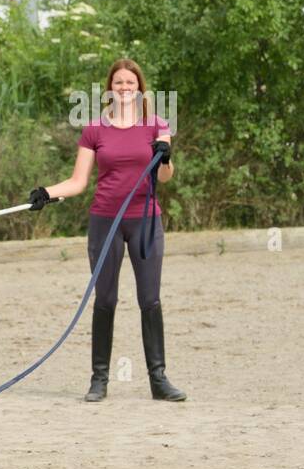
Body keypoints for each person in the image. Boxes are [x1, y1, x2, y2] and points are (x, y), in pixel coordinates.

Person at [28, 58, 186, 402]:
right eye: (119, 83)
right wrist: (46, 193)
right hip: (105, 222)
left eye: (131, 83)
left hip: (145, 221)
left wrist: (166, 156)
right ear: (110, 88)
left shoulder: (157, 125)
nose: (125, 88)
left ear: (140, 87)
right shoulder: (94, 131)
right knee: (106, 299)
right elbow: (77, 182)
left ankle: (159, 380)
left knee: (150, 299)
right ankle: (99, 380)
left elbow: (165, 177)